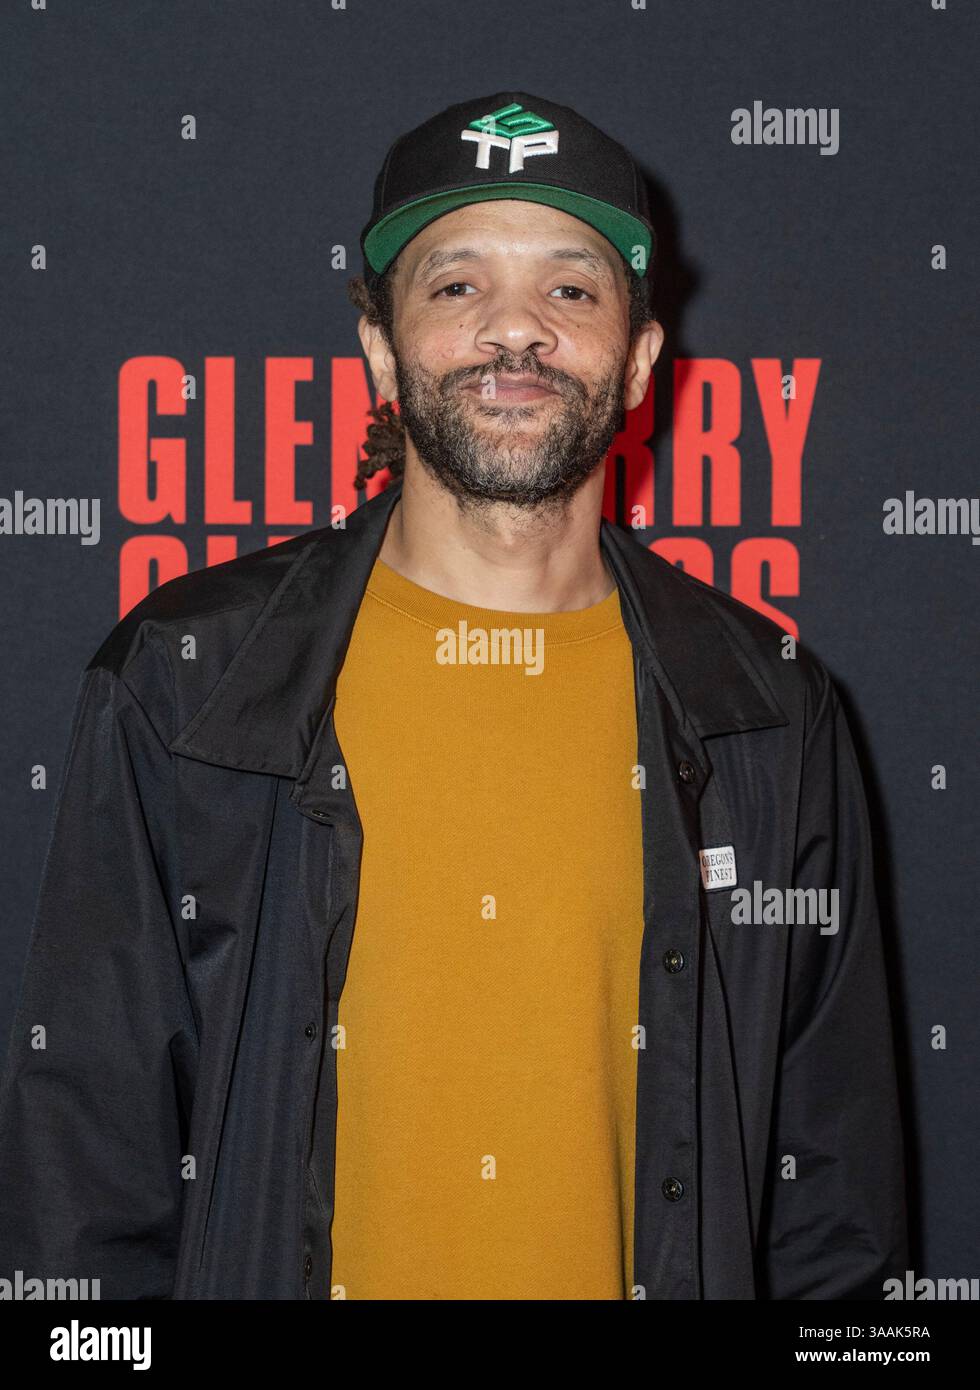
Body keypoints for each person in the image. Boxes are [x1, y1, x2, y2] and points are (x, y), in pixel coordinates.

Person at [0, 91, 907, 1300]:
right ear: (379, 347)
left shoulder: (765, 710)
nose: (514, 333)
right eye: (456, 285)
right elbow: (86, 1167)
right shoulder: (186, 683)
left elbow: (834, 1208)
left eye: (570, 289)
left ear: (638, 357)